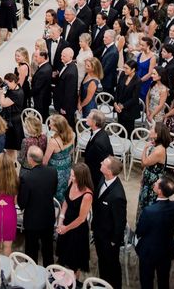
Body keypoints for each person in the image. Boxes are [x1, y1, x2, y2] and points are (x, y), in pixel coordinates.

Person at [136, 175, 174, 289]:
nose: (154, 183)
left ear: (159, 191)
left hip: (149, 251)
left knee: (146, 279)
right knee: (163, 279)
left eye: (156, 183)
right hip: (167, 249)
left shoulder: (149, 211)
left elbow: (140, 231)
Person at [17, 145, 57, 266]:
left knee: (31, 252)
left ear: (30, 159)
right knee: (48, 250)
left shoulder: (26, 178)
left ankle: (32, 276)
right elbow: (53, 192)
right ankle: (49, 276)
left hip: (32, 221)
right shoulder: (52, 172)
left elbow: (22, 203)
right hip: (48, 217)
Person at [92, 156, 127, 289]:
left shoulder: (118, 196)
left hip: (109, 238)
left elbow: (120, 221)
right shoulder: (103, 178)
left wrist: (114, 241)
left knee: (111, 264)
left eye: (104, 163)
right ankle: (102, 283)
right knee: (102, 260)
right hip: (99, 231)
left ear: (110, 171)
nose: (100, 162)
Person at [56, 163, 94, 282]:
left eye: (73, 176)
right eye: (71, 175)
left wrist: (66, 228)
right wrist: (60, 221)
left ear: (82, 177)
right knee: (62, 257)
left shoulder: (87, 195)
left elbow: (81, 219)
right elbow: (66, 202)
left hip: (77, 230)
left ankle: (74, 283)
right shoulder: (71, 182)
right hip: (65, 224)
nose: (71, 177)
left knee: (74, 263)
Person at [136, 121, 171, 220]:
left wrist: (144, 148)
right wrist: (143, 175)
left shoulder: (159, 150)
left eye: (152, 128)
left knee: (147, 205)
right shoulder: (156, 144)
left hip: (153, 183)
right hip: (148, 179)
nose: (150, 130)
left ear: (157, 134)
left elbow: (144, 163)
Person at [43, 114, 75, 203]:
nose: (49, 125)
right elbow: (72, 151)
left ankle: (56, 206)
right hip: (67, 166)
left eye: (51, 124)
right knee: (64, 187)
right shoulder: (71, 134)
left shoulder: (54, 142)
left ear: (58, 127)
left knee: (55, 189)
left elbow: (45, 161)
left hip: (55, 171)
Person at [84, 110, 113, 190]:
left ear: (94, 122)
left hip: (95, 176)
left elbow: (104, 162)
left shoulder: (98, 142)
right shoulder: (101, 132)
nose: (86, 118)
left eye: (88, 117)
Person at [0, 73, 24, 156]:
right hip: (11, 119)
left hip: (13, 122)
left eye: (7, 83)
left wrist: (1, 92)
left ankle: (11, 163)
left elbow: (3, 103)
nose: (6, 85)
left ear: (12, 81)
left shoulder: (17, 94)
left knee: (11, 147)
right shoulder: (15, 88)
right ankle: (13, 162)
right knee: (10, 146)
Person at [114, 59, 142, 137]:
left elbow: (134, 98)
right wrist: (115, 103)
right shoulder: (123, 74)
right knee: (120, 130)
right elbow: (117, 90)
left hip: (130, 110)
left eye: (126, 68)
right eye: (124, 67)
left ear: (133, 69)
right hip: (119, 108)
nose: (124, 70)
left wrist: (122, 106)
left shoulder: (138, 81)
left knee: (128, 132)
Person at [53, 47, 78, 127]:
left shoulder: (71, 72)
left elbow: (69, 93)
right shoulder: (65, 65)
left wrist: (64, 108)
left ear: (70, 57)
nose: (61, 57)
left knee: (68, 125)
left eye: (64, 56)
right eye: (61, 55)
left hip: (67, 106)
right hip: (62, 102)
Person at [31, 45, 52, 121]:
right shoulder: (47, 66)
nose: (34, 59)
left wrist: (27, 94)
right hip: (44, 98)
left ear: (43, 57)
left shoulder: (43, 71)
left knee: (40, 118)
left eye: (36, 56)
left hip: (41, 100)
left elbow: (37, 88)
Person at [136, 35, 157, 101]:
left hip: (145, 82)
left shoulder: (153, 57)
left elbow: (150, 73)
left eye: (142, 45)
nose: (140, 47)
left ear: (148, 46)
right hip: (136, 79)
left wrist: (139, 81)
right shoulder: (141, 53)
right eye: (140, 45)